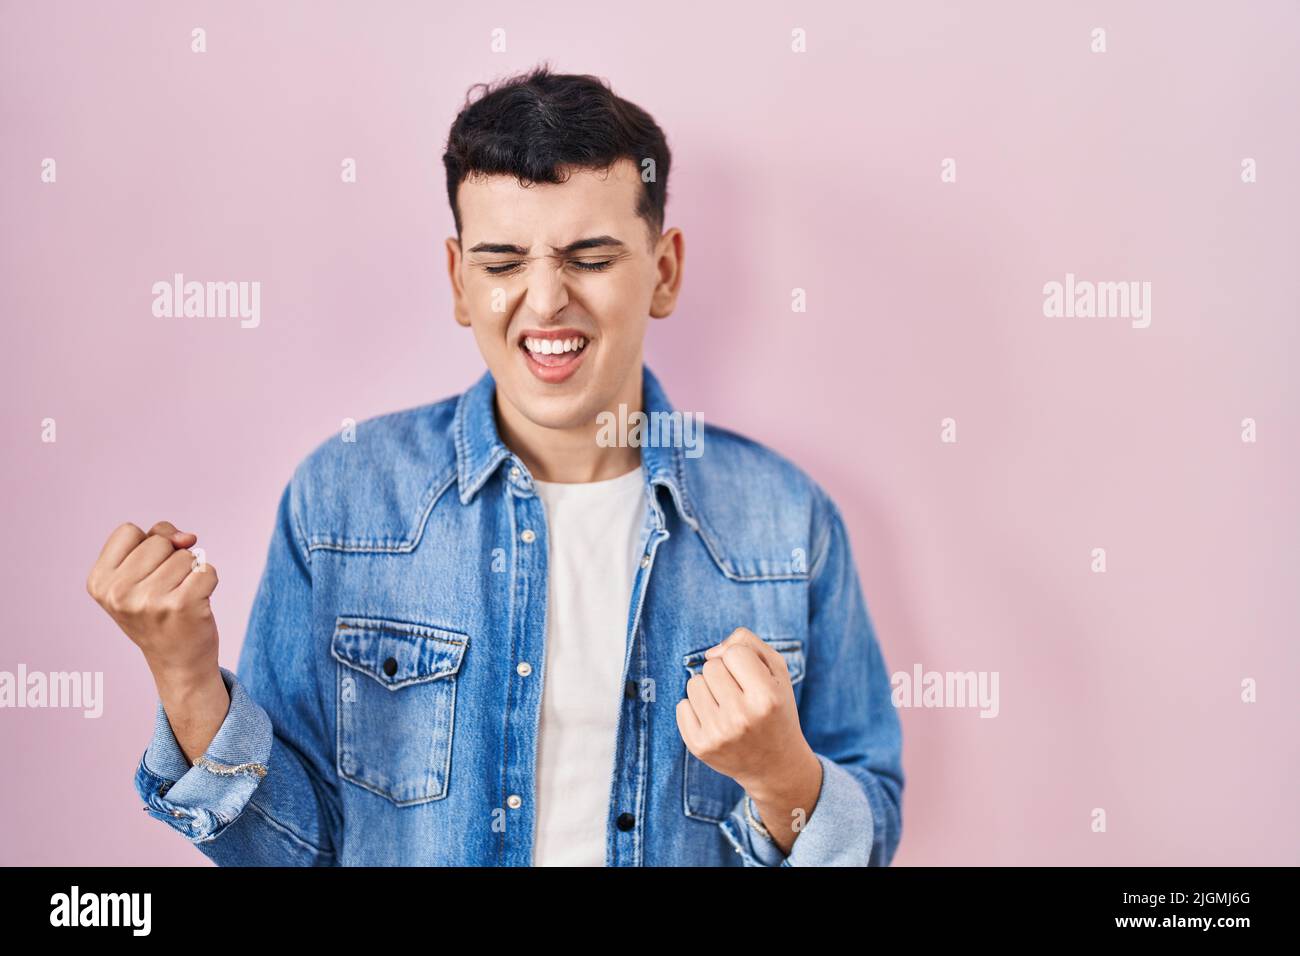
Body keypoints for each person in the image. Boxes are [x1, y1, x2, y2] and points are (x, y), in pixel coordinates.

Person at [86, 64, 903, 866]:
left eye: (589, 257)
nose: (544, 301)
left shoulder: (786, 518)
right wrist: (185, 675)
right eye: (503, 262)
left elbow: (871, 829)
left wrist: (781, 776)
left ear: (664, 271)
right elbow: (291, 853)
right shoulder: (342, 499)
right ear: (457, 279)